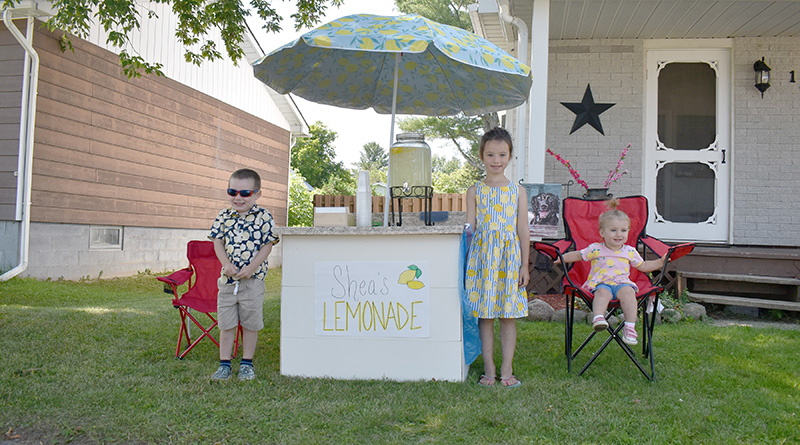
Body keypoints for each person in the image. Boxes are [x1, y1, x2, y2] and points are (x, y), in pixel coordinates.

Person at [465, 127, 530, 388]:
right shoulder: (474, 191)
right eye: (490, 154)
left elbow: (523, 228)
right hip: (483, 260)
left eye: (502, 154)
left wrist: (524, 264)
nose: (496, 160)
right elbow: (469, 228)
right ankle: (489, 369)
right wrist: (467, 262)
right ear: (482, 156)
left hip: (508, 259)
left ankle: (507, 369)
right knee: (485, 315)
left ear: (510, 156)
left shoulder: (518, 191)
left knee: (507, 315)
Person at [555, 199, 665, 345]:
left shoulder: (629, 251)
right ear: (602, 232)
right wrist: (560, 258)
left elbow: (643, 266)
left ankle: (630, 327)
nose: (619, 234)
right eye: (613, 230)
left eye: (623, 230)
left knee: (629, 293)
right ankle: (599, 318)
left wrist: (660, 262)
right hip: (602, 283)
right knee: (601, 294)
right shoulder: (595, 249)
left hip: (622, 283)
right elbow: (577, 255)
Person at [208, 168, 279, 381]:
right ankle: (224, 365)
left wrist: (252, 268)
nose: (238, 198)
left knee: (250, 323)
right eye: (233, 192)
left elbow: (268, 245)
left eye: (245, 193)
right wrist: (226, 264)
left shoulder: (263, 216)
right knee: (227, 324)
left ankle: (247, 364)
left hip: (252, 281)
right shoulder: (223, 216)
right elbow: (217, 242)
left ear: (257, 194)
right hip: (227, 282)